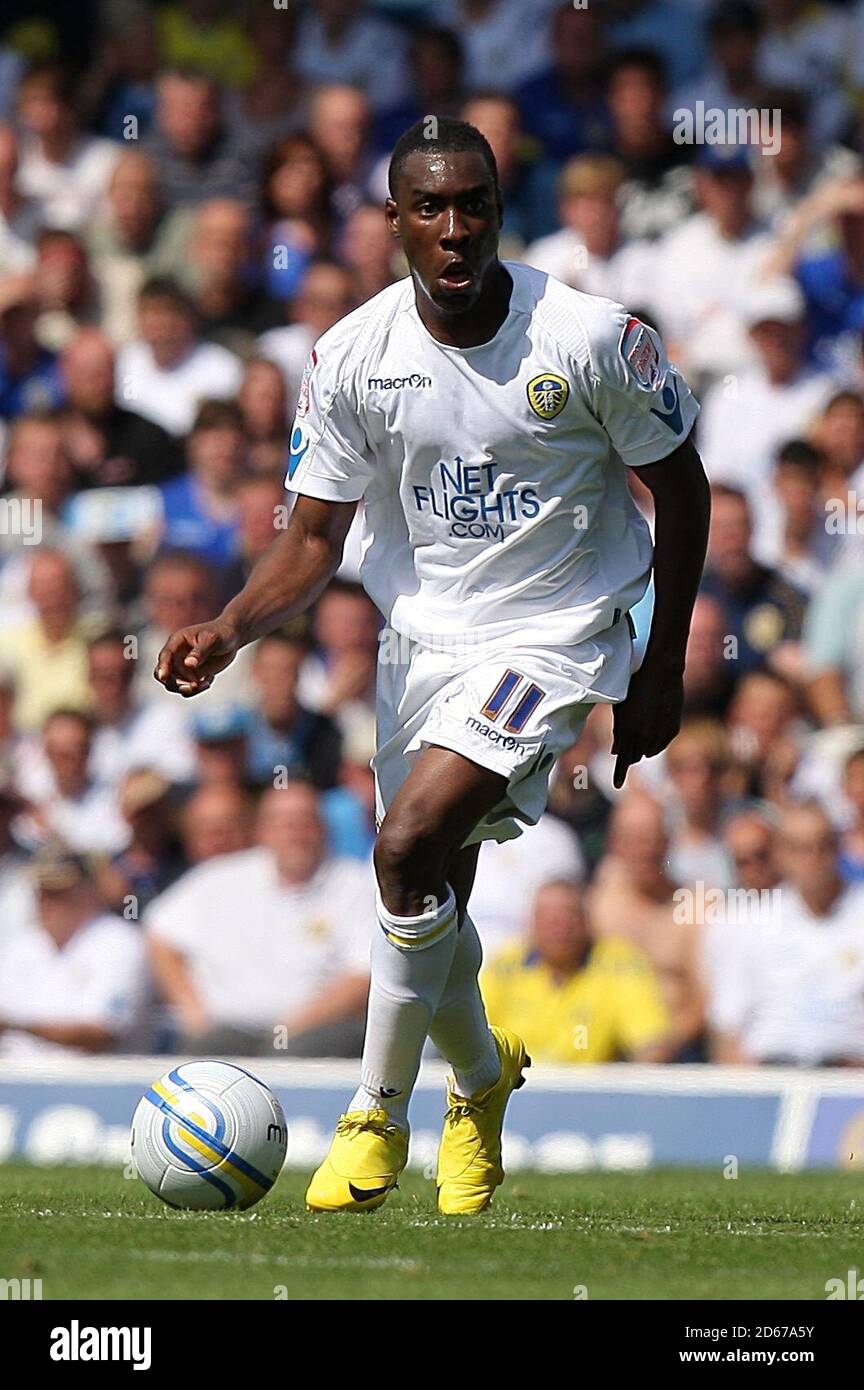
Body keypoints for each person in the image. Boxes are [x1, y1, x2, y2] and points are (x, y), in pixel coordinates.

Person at [154, 118, 709, 1215]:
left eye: (475, 205)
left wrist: (660, 664)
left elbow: (683, 492)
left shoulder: (592, 337)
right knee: (429, 897)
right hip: (419, 649)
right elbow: (313, 537)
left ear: (500, 211)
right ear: (395, 221)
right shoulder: (354, 356)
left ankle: (372, 1114)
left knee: (403, 847)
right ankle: (483, 1078)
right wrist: (230, 625)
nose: (455, 229)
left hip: (552, 635)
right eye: (431, 208)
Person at [146, 781, 372, 1054]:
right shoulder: (220, 877)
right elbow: (160, 934)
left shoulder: (356, 885)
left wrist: (288, 1030)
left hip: (317, 1033)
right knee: (205, 1053)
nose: (295, 833)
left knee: (301, 1052)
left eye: (305, 821)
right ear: (263, 831)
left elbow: (363, 976)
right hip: (228, 1032)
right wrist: (194, 1014)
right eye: (284, 823)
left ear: (324, 828)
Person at [481, 878, 671, 1063]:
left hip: (591, 1090)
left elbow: (651, 1043)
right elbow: (474, 1034)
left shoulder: (619, 963)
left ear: (587, 920)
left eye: (568, 915)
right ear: (531, 923)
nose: (559, 927)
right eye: (548, 917)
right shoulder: (504, 967)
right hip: (516, 1089)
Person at [0, 846, 147, 1057]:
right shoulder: (21, 945)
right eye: (40, 890)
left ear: (90, 892)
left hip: (96, 1083)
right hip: (16, 1079)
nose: (44, 901)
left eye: (57, 892)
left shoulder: (122, 942)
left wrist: (16, 1026)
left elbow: (99, 1034)